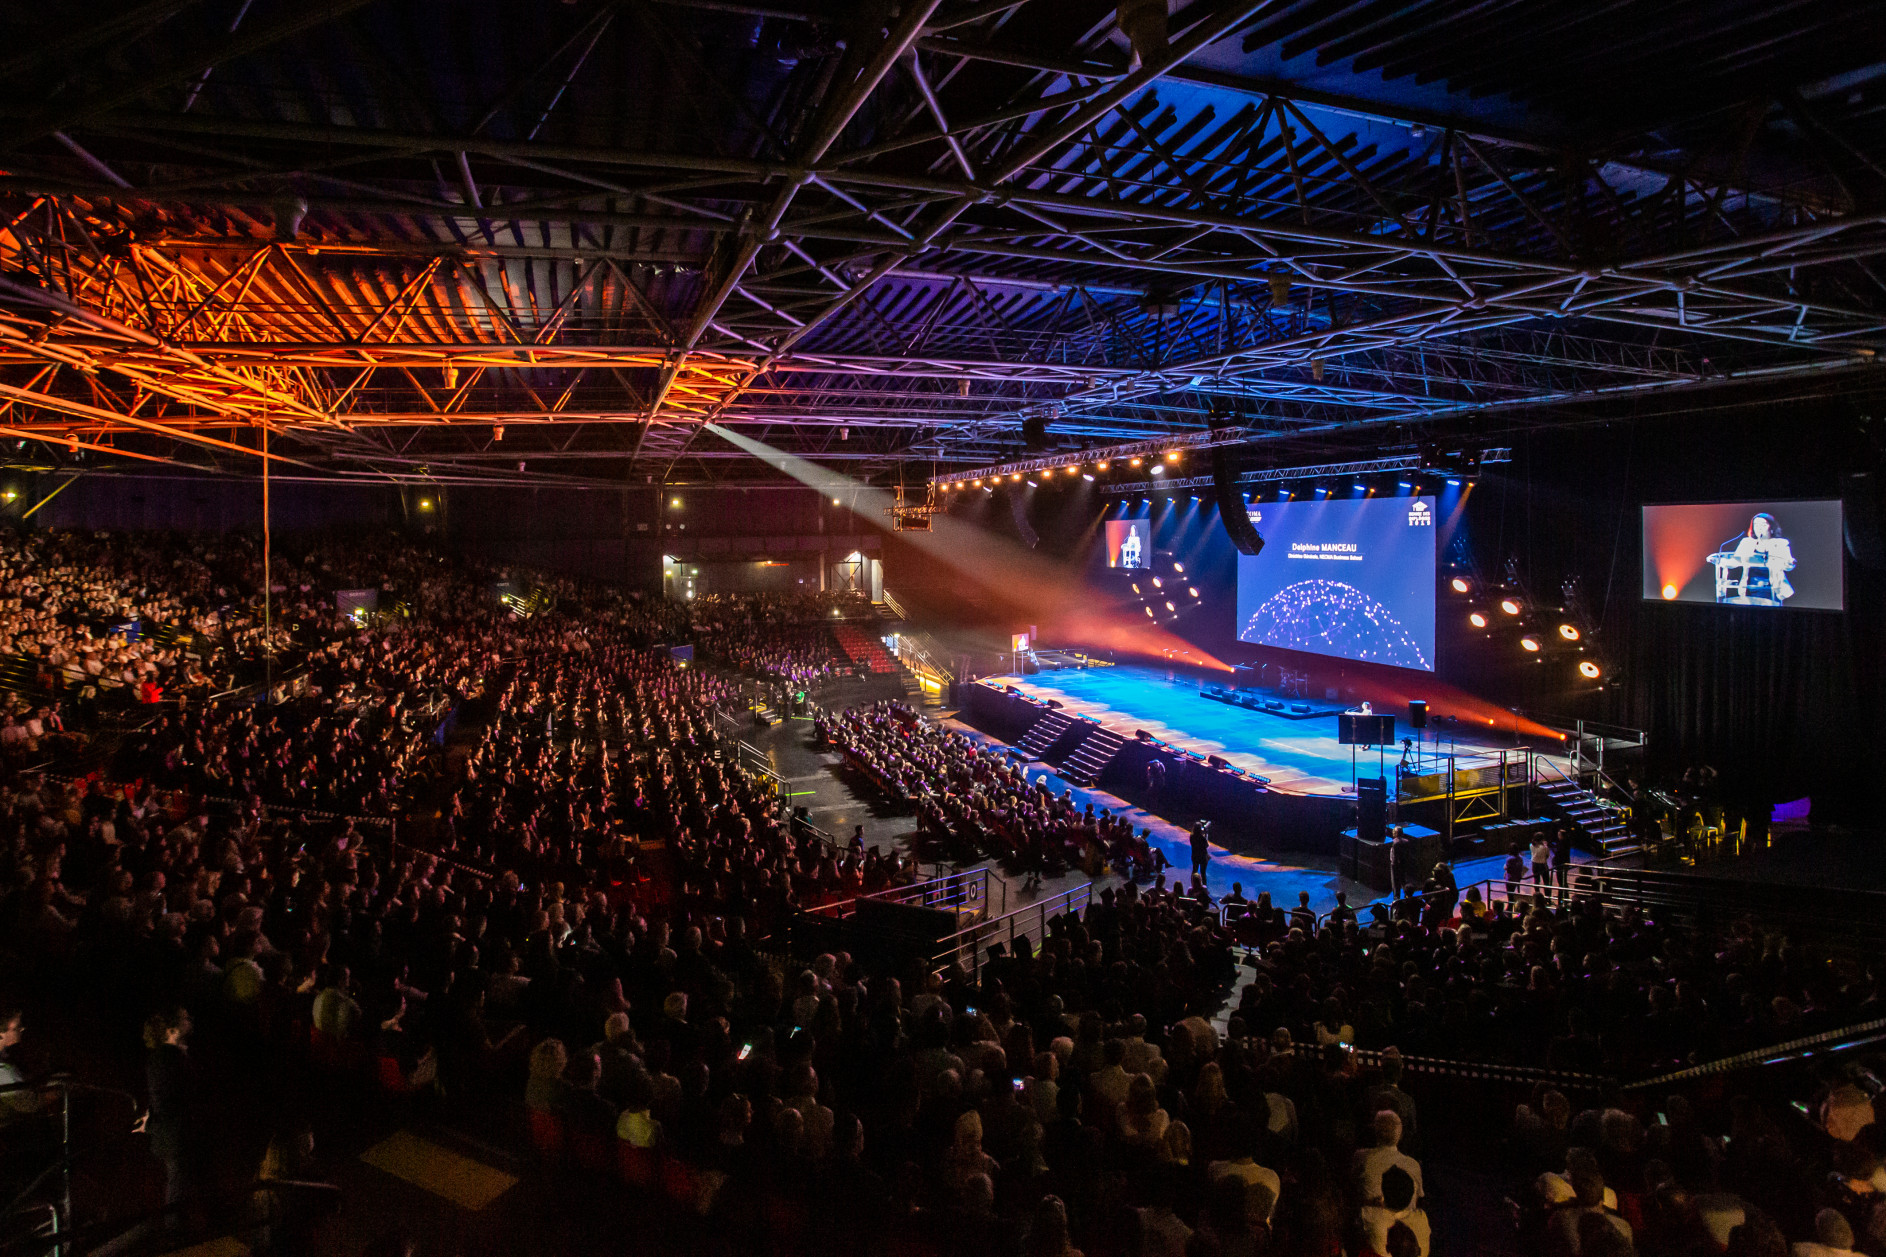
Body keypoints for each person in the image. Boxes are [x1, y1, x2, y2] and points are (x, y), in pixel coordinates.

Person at [1731, 512, 1795, 601]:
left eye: (1763, 524)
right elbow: (1735, 561)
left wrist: (1789, 563)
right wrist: (1719, 560)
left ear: (1771, 527)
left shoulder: (1780, 543)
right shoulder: (1746, 542)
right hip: (1749, 588)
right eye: (1756, 525)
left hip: (1772, 589)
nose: (1759, 528)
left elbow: (1787, 565)